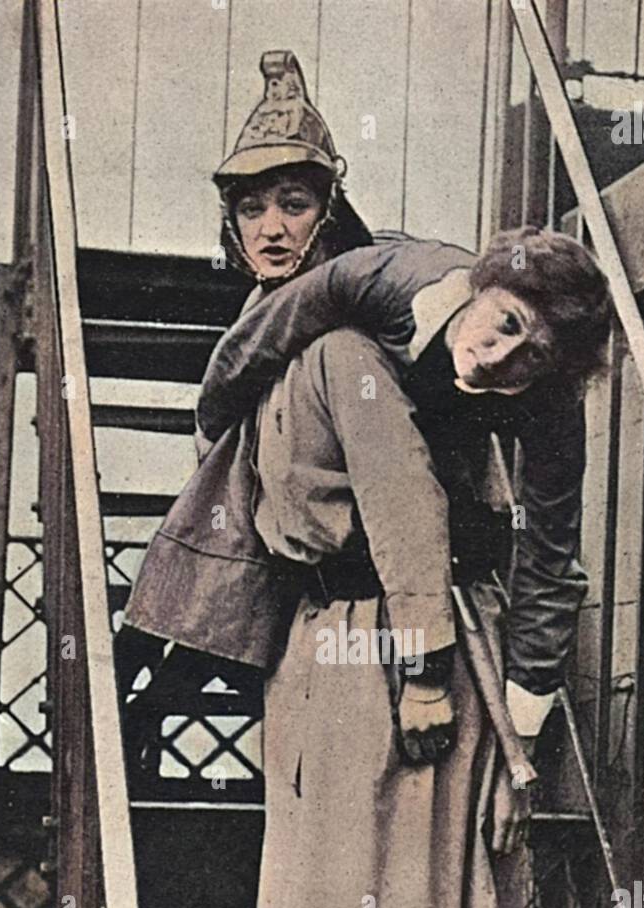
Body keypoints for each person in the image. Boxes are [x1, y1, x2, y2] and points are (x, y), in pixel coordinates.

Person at [166, 226, 612, 908]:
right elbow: (242, 357)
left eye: (531, 353)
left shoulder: (545, 404)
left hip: (451, 631)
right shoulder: (363, 296)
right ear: (477, 288)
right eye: (500, 327)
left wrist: (525, 716)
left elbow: (551, 551)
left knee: (457, 898)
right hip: (330, 639)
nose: (497, 358)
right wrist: (217, 428)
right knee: (324, 899)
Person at [118, 48, 373, 717]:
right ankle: (127, 687)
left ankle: (136, 687)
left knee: (227, 524)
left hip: (326, 536)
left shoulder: (340, 294)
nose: (271, 228)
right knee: (218, 508)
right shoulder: (262, 299)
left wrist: (212, 419)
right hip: (251, 511)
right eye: (251, 209)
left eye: (293, 205)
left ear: (326, 211)